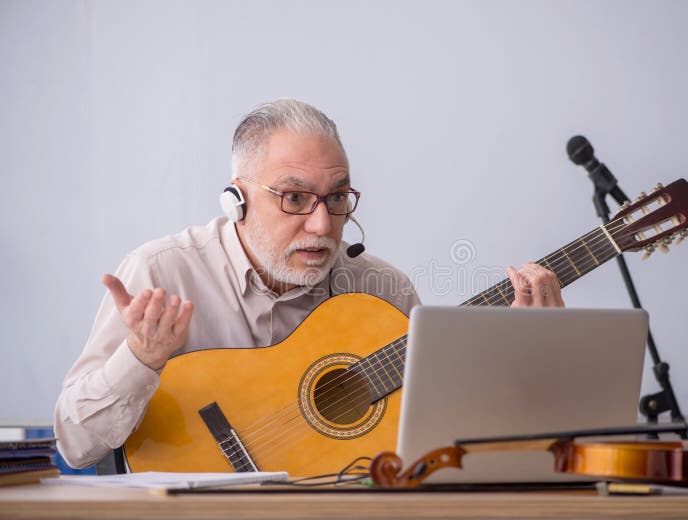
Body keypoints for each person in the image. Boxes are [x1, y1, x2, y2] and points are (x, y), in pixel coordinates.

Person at [54, 99, 564, 469]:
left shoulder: (382, 291)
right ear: (237, 200)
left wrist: (515, 353)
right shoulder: (160, 274)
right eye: (295, 198)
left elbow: (442, 446)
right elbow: (77, 445)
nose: (323, 225)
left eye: (337, 198)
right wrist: (140, 359)